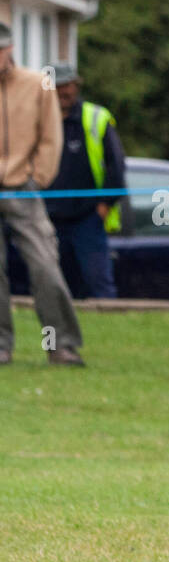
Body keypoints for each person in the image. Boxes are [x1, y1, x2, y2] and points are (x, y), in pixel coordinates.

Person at [0, 24, 84, 366]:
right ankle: (2, 346)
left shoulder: (38, 84)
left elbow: (51, 136)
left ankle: (59, 344)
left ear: (10, 49)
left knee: (45, 266)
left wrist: (38, 177)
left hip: (23, 188)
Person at [44, 63, 123, 299]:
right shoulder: (40, 120)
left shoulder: (95, 118)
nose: (62, 92)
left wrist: (103, 206)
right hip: (50, 220)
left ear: (76, 86)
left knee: (99, 285)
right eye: (57, 86)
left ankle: (109, 333)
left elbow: (116, 168)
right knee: (56, 288)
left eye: (66, 85)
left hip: (88, 218)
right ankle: (58, 335)